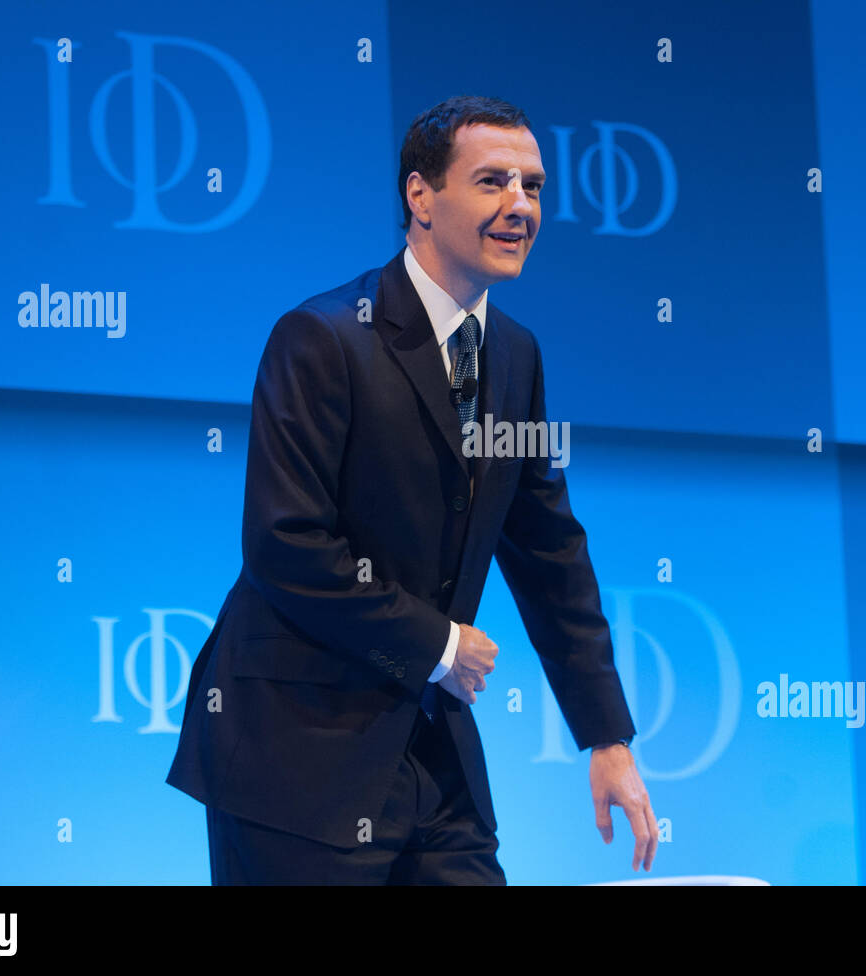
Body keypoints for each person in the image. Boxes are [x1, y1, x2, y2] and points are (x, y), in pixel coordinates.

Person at [166, 94, 658, 884]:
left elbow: (548, 549)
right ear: (420, 197)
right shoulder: (325, 338)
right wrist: (436, 644)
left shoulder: (515, 357)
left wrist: (607, 738)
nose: (519, 206)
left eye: (533, 186)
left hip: (430, 751)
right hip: (295, 751)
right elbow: (283, 543)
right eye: (493, 181)